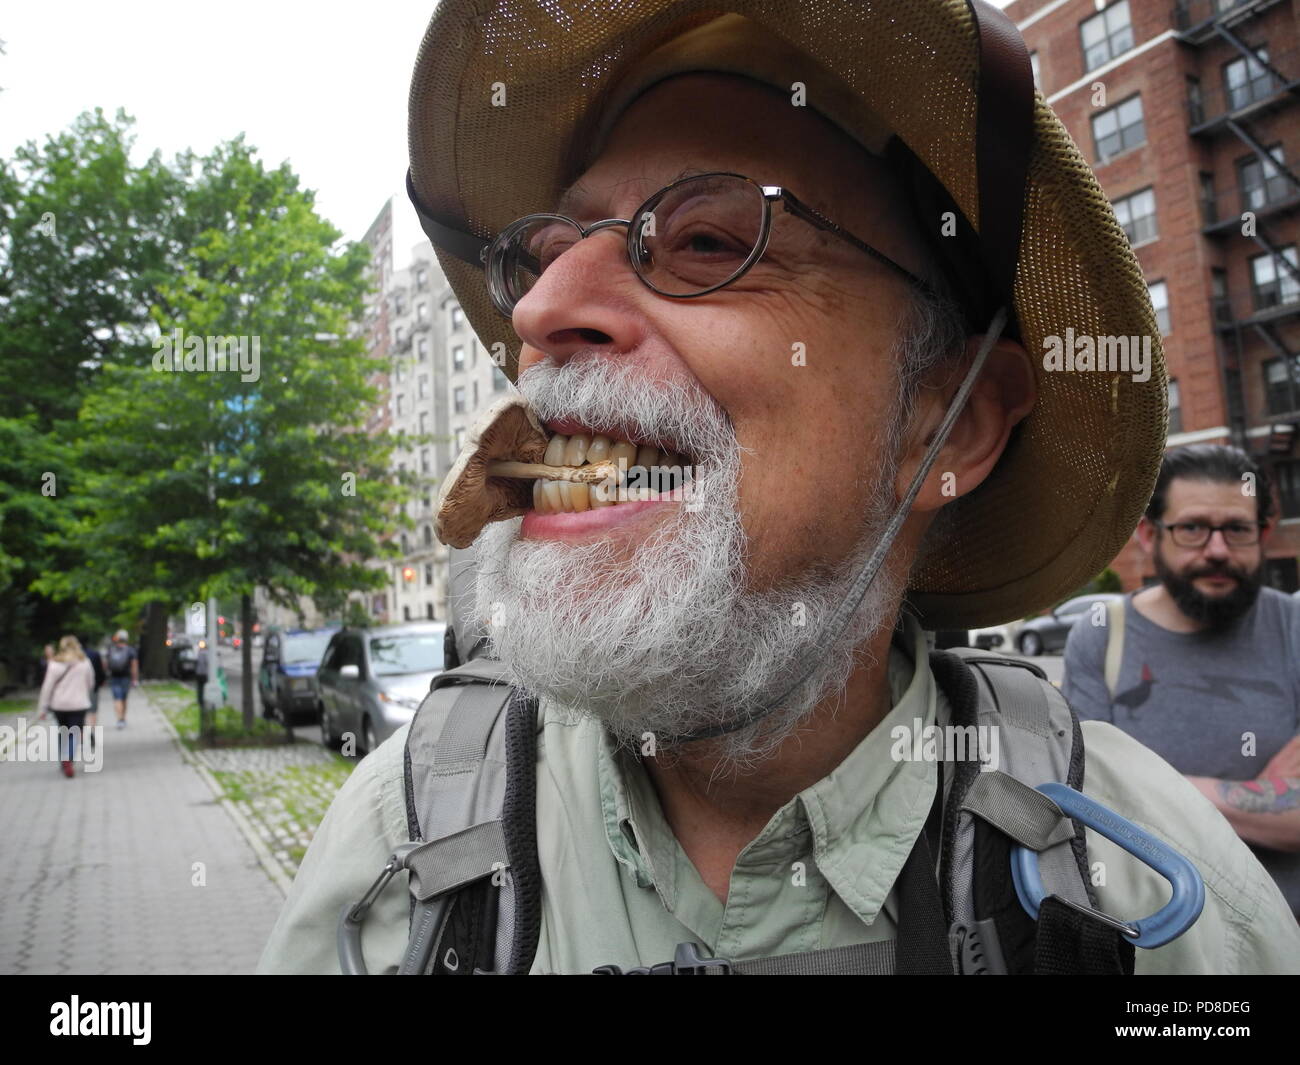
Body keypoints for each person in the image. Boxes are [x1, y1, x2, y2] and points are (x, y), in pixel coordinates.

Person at [259, 0, 1300, 974]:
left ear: (949, 425)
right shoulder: (403, 843)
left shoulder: (1149, 890)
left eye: (709, 241)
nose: (537, 315)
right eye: (544, 258)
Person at [1065, 444, 1300, 917]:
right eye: (1192, 528)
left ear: (1263, 533)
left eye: (1236, 529)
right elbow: (1086, 805)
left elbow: (1114, 798)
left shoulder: (1292, 627)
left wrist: (1139, 793)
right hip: (1152, 938)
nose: (1217, 550)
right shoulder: (1101, 637)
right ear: (1150, 535)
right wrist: (1260, 800)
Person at [37, 635, 95, 778]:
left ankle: (64, 761)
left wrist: (42, 708)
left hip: (59, 705)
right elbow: (91, 683)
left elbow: (47, 687)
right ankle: (68, 759)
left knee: (62, 731)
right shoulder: (85, 662)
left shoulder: (54, 664)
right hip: (79, 704)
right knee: (74, 732)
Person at [105, 628, 138, 729]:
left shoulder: (111, 649)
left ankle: (119, 719)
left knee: (117, 699)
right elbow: (134, 666)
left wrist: (105, 676)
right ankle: (122, 718)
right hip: (126, 677)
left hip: (114, 677)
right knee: (124, 699)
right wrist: (134, 679)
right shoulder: (130, 650)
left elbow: (106, 664)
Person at [83, 636, 106, 753]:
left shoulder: (70, 657)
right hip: (93, 686)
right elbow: (100, 670)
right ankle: (91, 731)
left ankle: (82, 733)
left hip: (77, 690)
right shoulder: (94, 654)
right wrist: (101, 682)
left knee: (81, 713)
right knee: (92, 711)